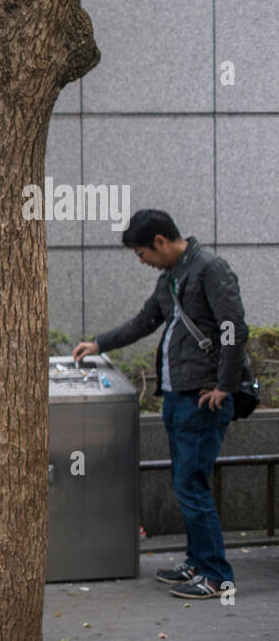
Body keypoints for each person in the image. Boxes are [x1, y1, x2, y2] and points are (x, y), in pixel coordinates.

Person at [72, 209, 251, 599]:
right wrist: (100, 343)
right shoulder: (170, 278)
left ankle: (217, 576)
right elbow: (144, 321)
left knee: (191, 484)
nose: (142, 262)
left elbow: (232, 328)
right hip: (177, 396)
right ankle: (197, 563)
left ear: (160, 242)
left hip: (202, 398)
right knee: (185, 483)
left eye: (142, 253)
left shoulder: (210, 269)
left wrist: (225, 386)